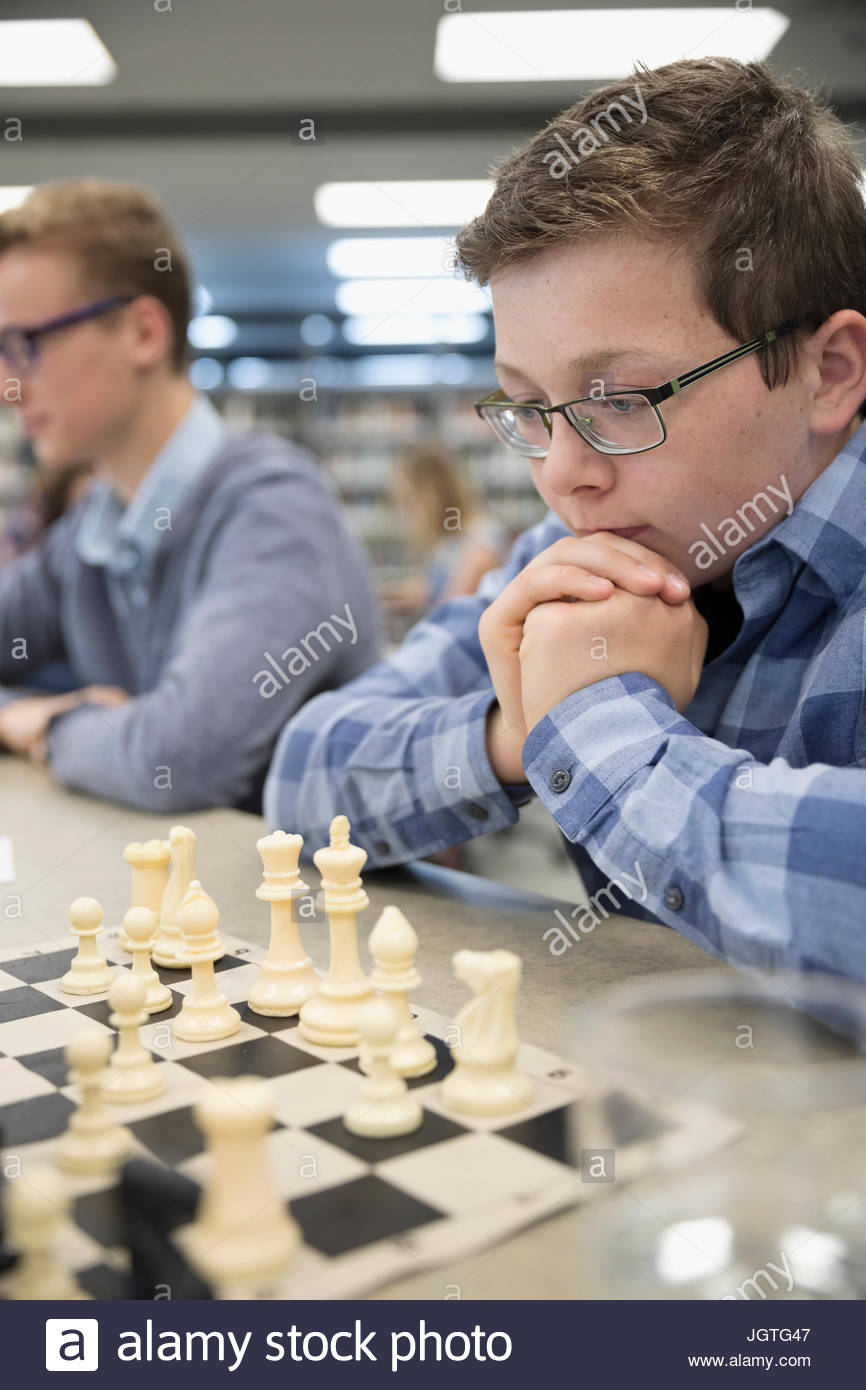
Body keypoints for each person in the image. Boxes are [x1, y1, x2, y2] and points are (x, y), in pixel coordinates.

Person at [265, 58, 866, 980]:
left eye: (622, 399)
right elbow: (303, 774)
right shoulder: (584, 551)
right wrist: (513, 734)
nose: (563, 474)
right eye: (529, 406)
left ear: (829, 372)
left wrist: (587, 720)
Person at [0, 179, 381, 811]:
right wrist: (20, 714)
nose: (8, 388)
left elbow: (177, 762)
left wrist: (47, 727)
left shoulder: (276, 509)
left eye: (23, 347)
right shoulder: (92, 529)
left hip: (327, 901)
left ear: (143, 332)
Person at [382, 445, 513, 618]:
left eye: (409, 504)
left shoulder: (481, 538)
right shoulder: (451, 539)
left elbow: (452, 610)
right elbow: (434, 586)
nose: (407, 516)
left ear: (430, 497)